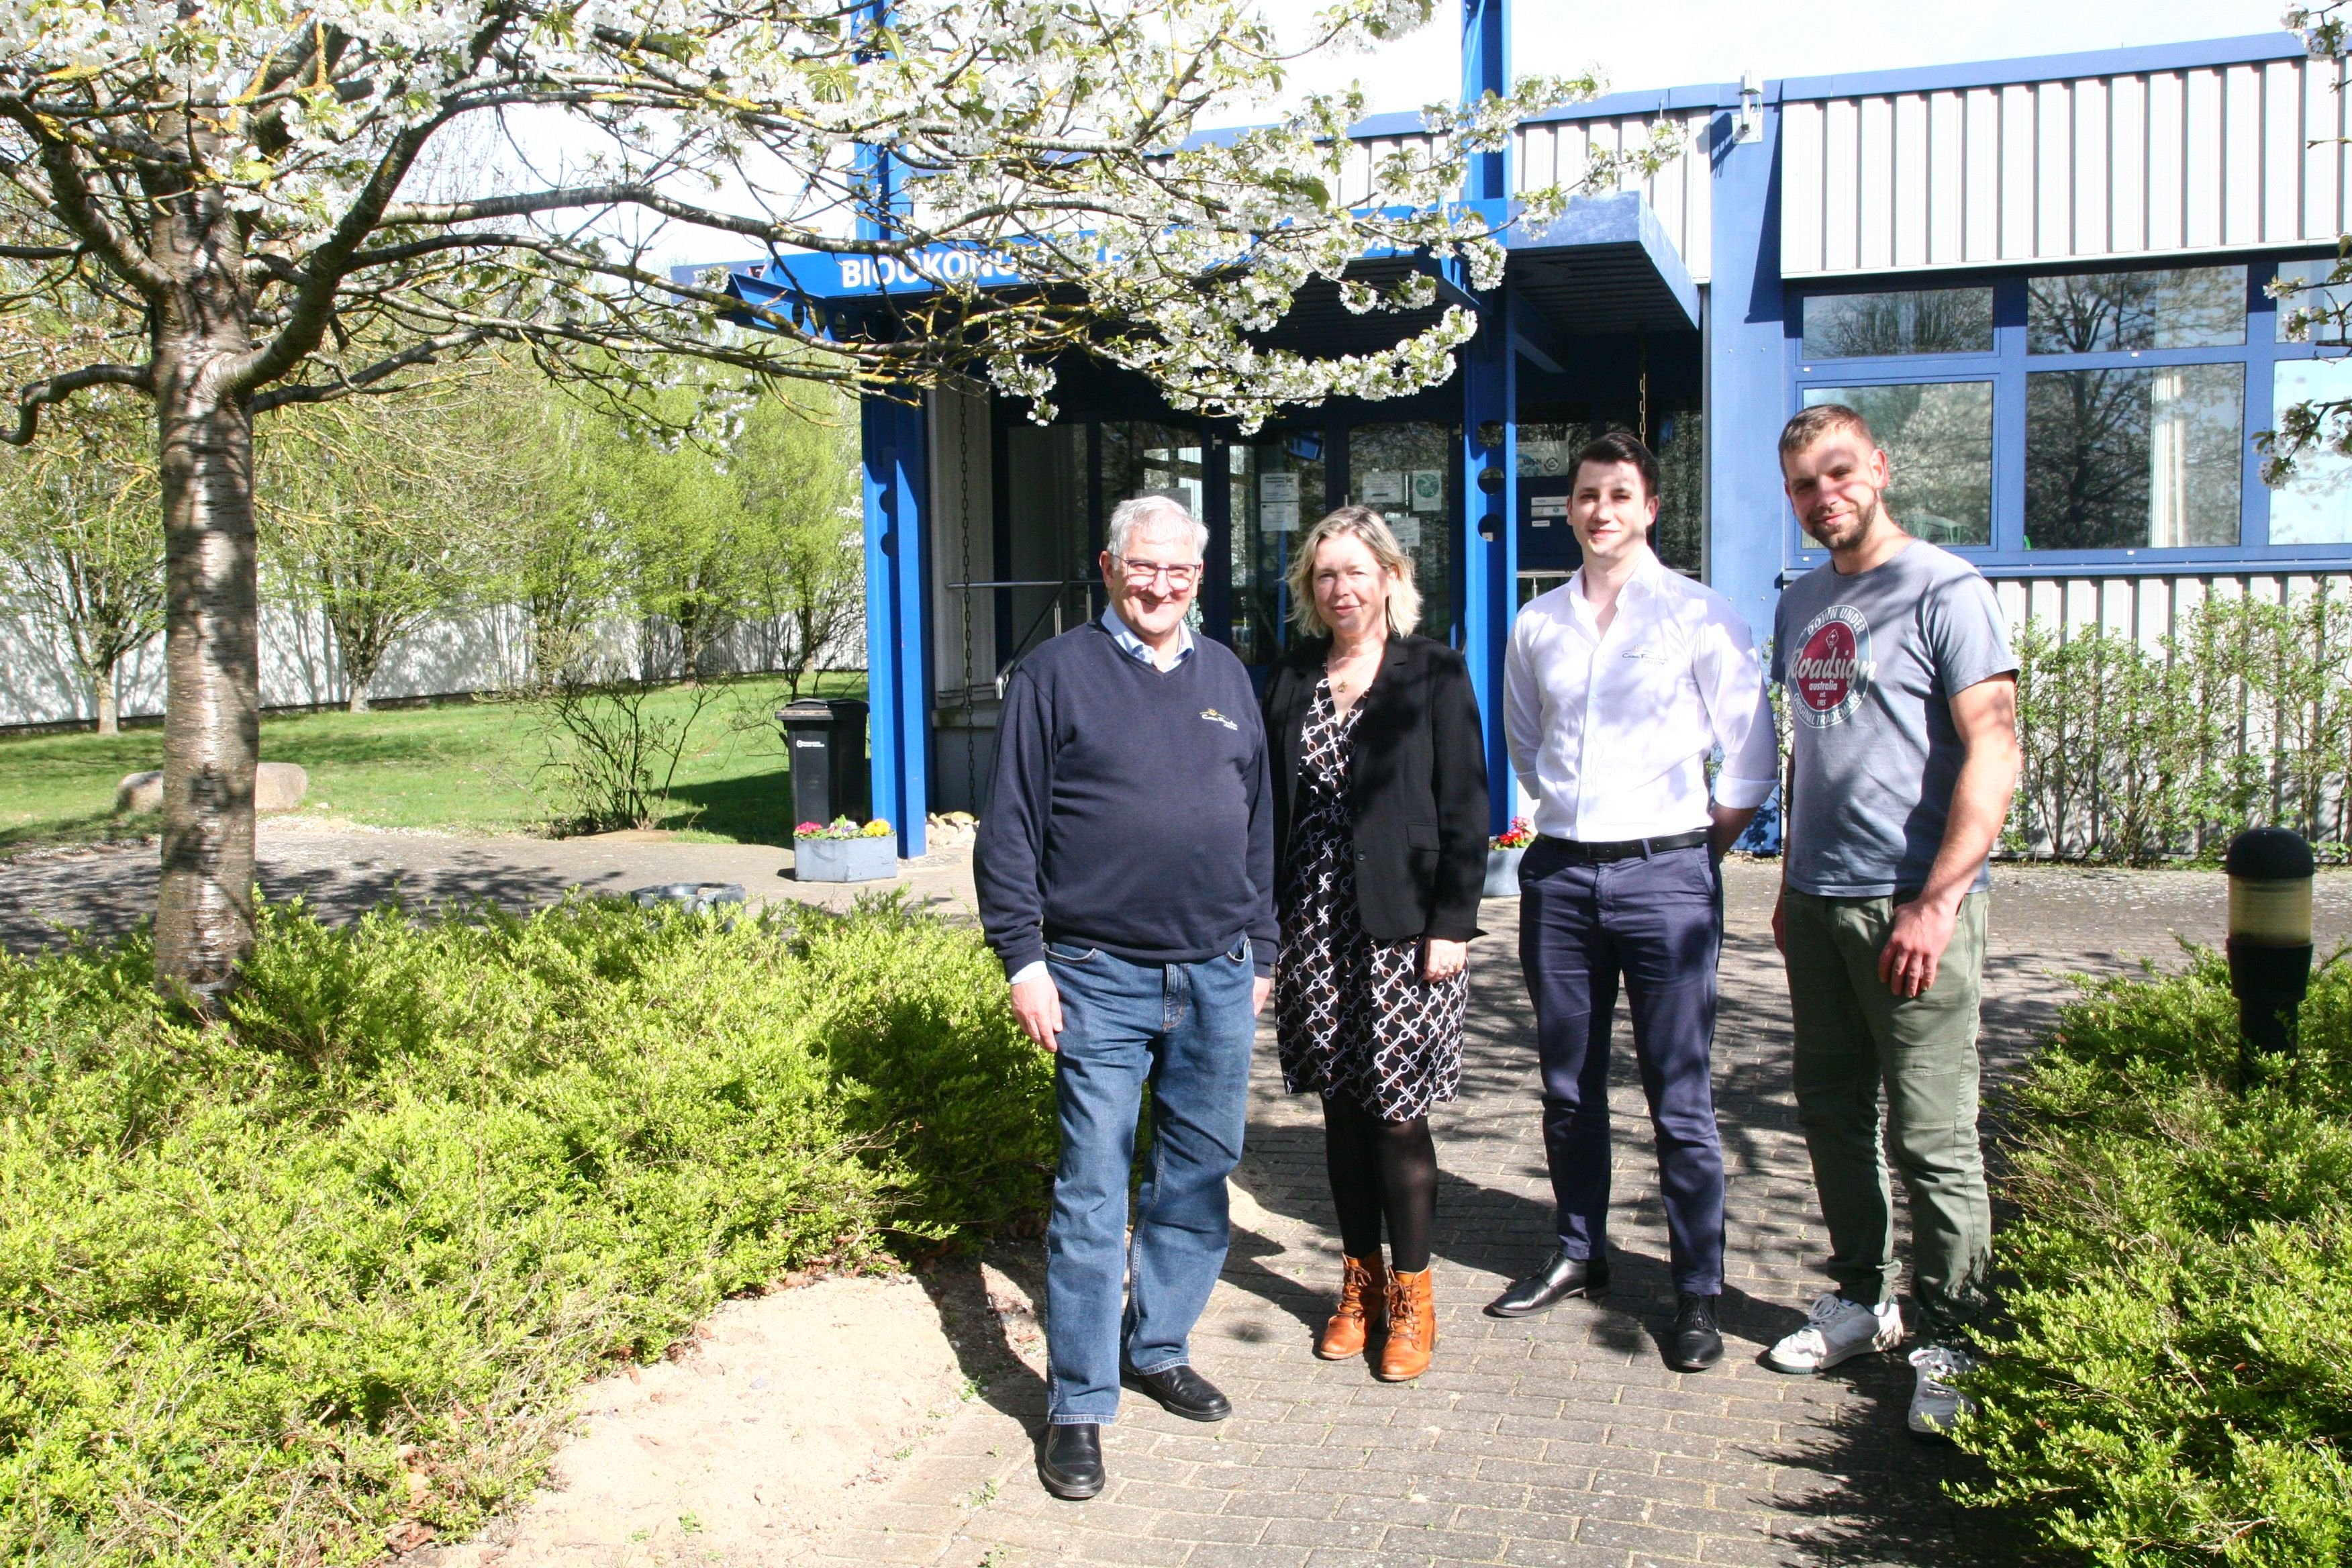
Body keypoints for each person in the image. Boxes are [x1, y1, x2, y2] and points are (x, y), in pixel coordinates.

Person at [975, 493, 1276, 1500]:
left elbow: (1259, 826)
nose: (1159, 587)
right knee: (1094, 1191)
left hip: (1218, 974)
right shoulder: (1054, 677)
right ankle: (1079, 1403)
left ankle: (1159, 1345)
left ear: (1200, 577)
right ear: (1108, 568)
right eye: (1142, 569)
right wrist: (1025, 961)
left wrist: (1263, 952)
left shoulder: (1227, 674)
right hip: (1096, 976)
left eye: (1179, 572)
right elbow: (1007, 832)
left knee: (1197, 1176)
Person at [1489, 431, 1778, 1375]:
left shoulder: (1700, 616)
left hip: (1667, 876)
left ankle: (1698, 1291)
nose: (1602, 510)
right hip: (1564, 879)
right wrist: (1578, 827)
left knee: (1679, 1096)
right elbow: (1528, 751)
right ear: (1569, 509)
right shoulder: (1537, 624)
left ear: (1651, 508)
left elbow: (1749, 757)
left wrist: (1692, 851)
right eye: (1587, 495)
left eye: (1620, 495)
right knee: (1568, 1088)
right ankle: (1580, 1250)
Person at [1764, 403, 2019, 1440]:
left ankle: (1957, 1332)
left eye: (1838, 474)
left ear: (1879, 466)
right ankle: (1864, 1300)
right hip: (1819, 904)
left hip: (1914, 907)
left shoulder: (1947, 590)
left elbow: (1995, 750)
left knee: (1932, 1135)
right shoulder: (1801, 602)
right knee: (1831, 1113)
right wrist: (1787, 885)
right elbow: (1809, 758)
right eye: (1803, 486)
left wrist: (1939, 900)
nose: (1825, 497)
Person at [1260, 506, 1488, 1383]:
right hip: (1313, 922)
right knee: (1342, 1112)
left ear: (1390, 578)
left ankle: (1414, 1296)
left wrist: (1453, 924)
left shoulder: (1433, 671)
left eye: (1356, 572)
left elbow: (1466, 803)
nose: (1340, 588)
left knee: (1396, 1115)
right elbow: (1264, 807)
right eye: (1325, 576)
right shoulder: (1289, 677)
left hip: (1405, 930)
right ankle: (1355, 1285)